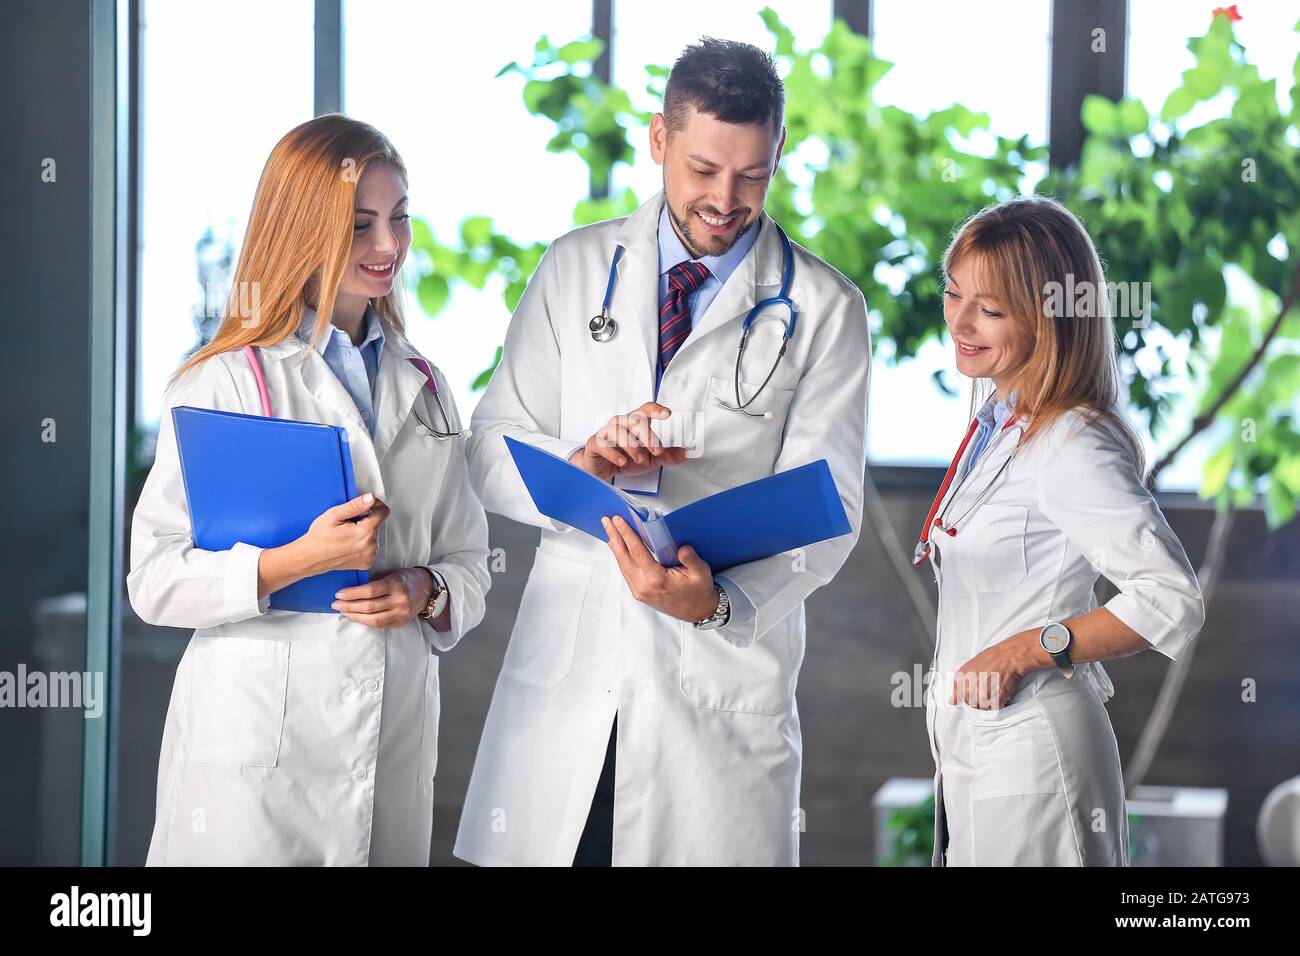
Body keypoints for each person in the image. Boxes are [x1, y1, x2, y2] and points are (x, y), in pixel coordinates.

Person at [453, 39, 871, 866]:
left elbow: (831, 511)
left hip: (712, 684)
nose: (725, 200)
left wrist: (715, 605)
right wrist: (583, 462)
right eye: (703, 169)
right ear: (658, 138)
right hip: (571, 680)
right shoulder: (575, 268)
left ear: (779, 153)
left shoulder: (826, 308)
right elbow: (490, 446)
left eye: (753, 175)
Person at [128, 114, 491, 865]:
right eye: (360, 225)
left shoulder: (427, 386)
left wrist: (425, 590)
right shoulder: (224, 382)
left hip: (390, 736)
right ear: (301, 229)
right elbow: (153, 581)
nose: (388, 246)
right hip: (257, 755)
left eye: (399, 219)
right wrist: (295, 561)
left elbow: (470, 561)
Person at [918, 195, 1206, 866]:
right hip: (979, 749)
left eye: (990, 310)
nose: (960, 322)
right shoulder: (1000, 423)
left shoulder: (1073, 441)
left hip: (1036, 756)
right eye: (954, 294)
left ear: (1048, 318)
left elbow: (1171, 598)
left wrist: (1026, 649)